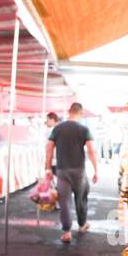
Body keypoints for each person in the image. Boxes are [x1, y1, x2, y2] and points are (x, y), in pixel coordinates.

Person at [45, 102, 98, 243]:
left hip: (62, 170)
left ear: (69, 112)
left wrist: (48, 168)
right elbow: (91, 150)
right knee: (81, 198)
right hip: (79, 170)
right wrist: (96, 170)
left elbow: (49, 148)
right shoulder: (84, 129)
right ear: (80, 113)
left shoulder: (57, 129)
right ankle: (82, 225)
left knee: (64, 201)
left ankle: (67, 232)